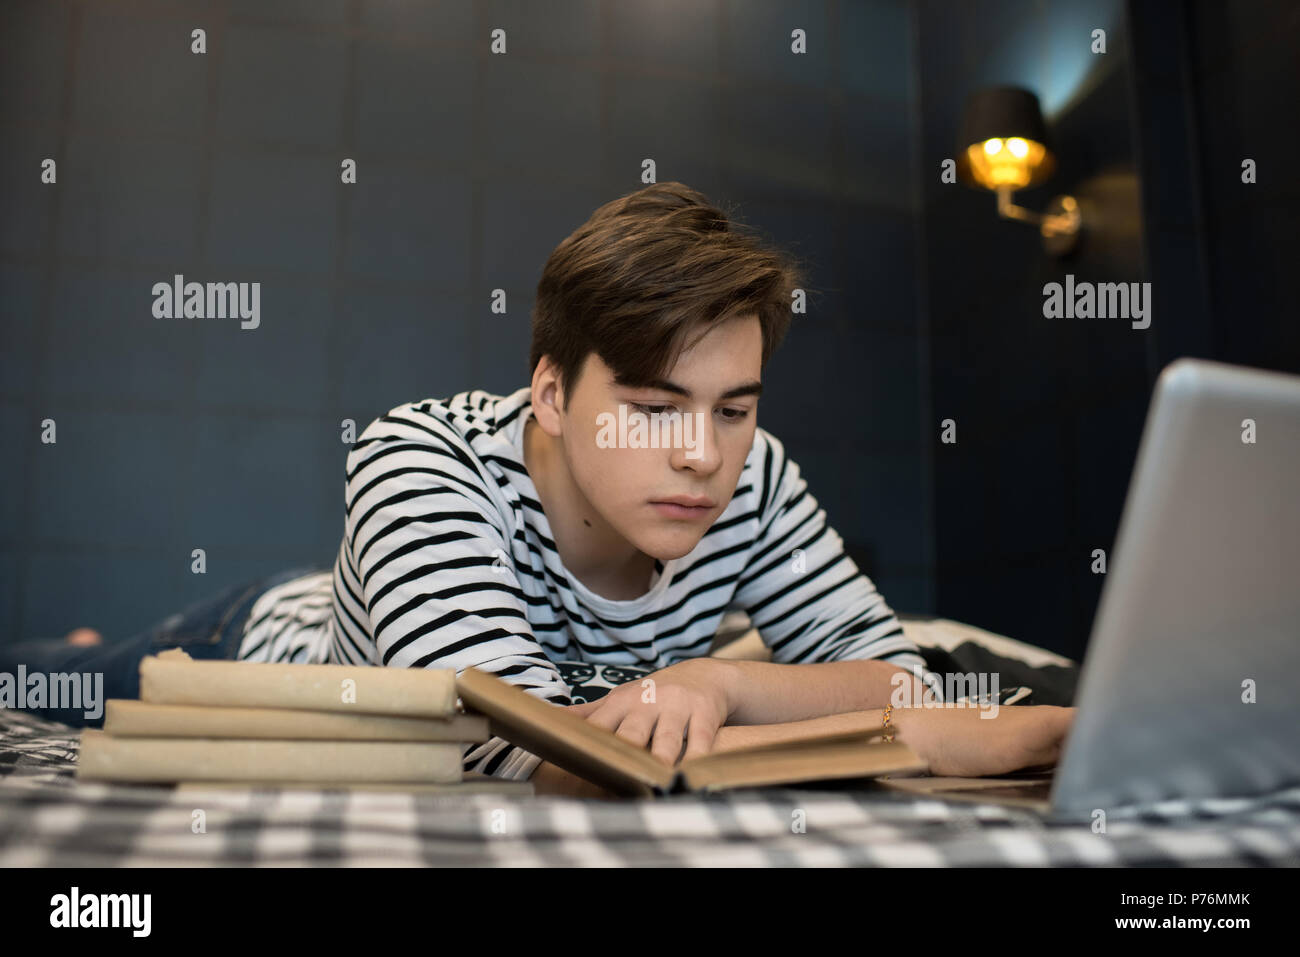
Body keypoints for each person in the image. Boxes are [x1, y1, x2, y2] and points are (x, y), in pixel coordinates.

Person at [0, 182, 1074, 797]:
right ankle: (97, 651)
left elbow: (888, 677)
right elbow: (530, 749)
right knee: (33, 682)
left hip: (508, 676)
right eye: (654, 405)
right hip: (255, 645)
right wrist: (941, 732)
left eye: (734, 408)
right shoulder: (419, 457)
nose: (704, 453)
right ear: (551, 393)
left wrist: (720, 681)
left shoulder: (757, 473)